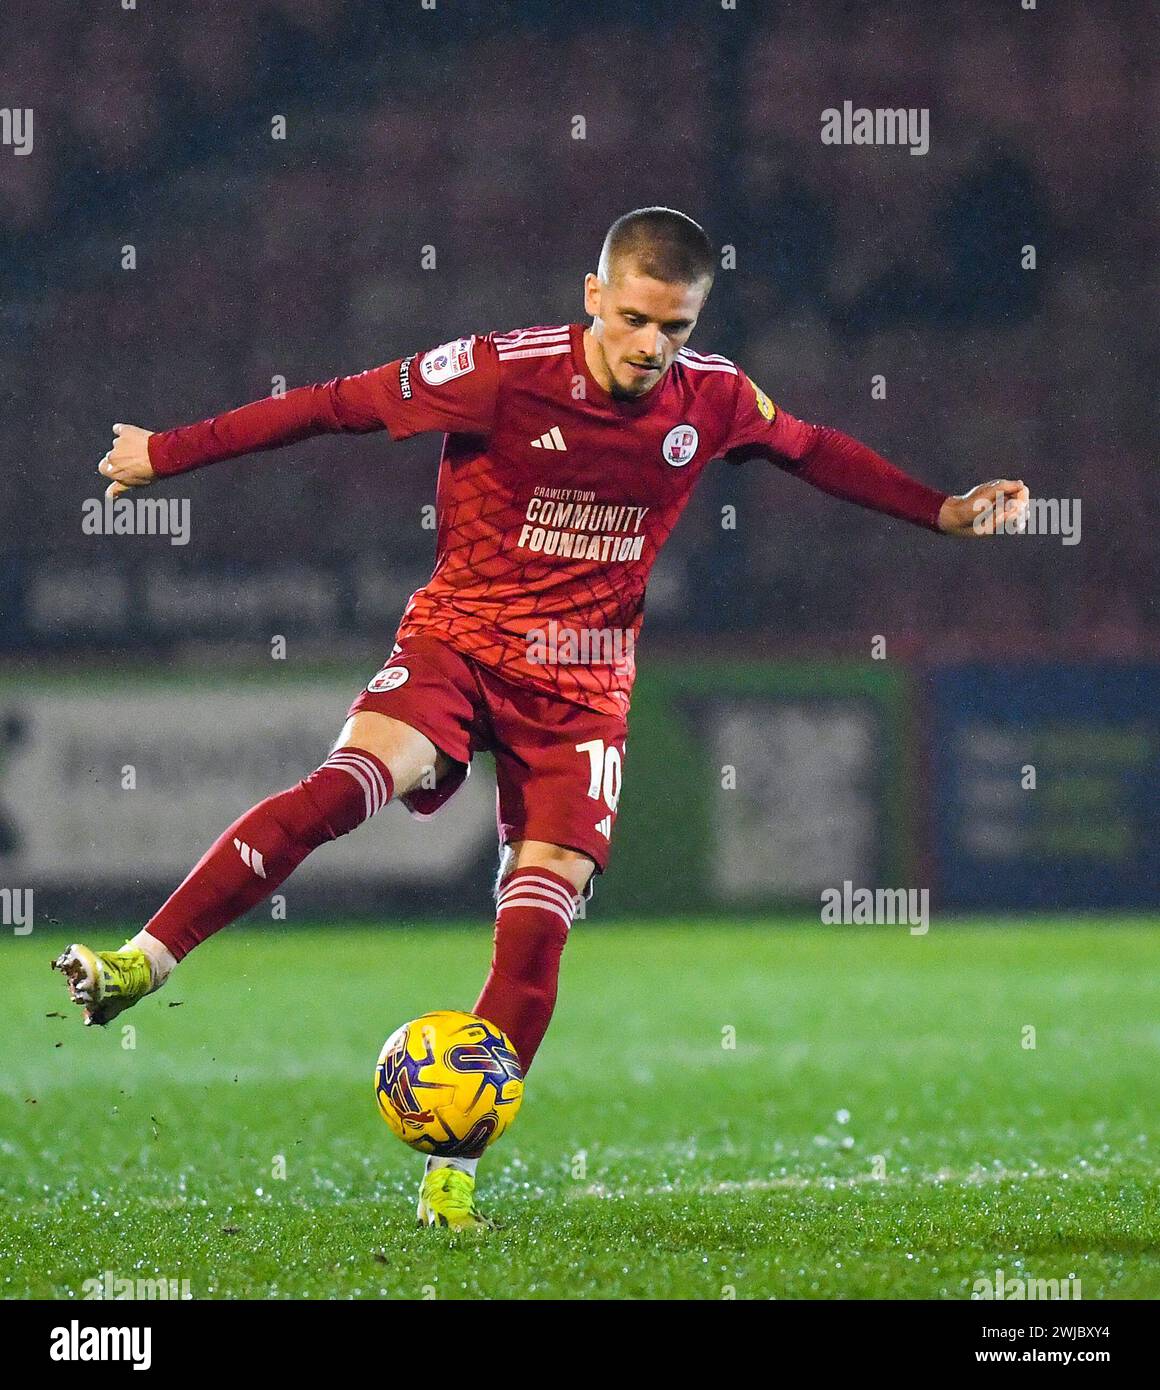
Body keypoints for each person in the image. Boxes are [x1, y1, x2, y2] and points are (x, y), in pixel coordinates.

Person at [53, 206, 1029, 1230]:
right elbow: (334, 405)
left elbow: (812, 447)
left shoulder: (716, 398)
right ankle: (140, 961)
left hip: (583, 692)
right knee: (347, 786)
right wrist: (165, 453)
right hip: (462, 643)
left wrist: (942, 510)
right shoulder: (499, 370)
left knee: (533, 931)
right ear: (593, 297)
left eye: (677, 328)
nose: (653, 347)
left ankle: (451, 1170)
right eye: (637, 319)